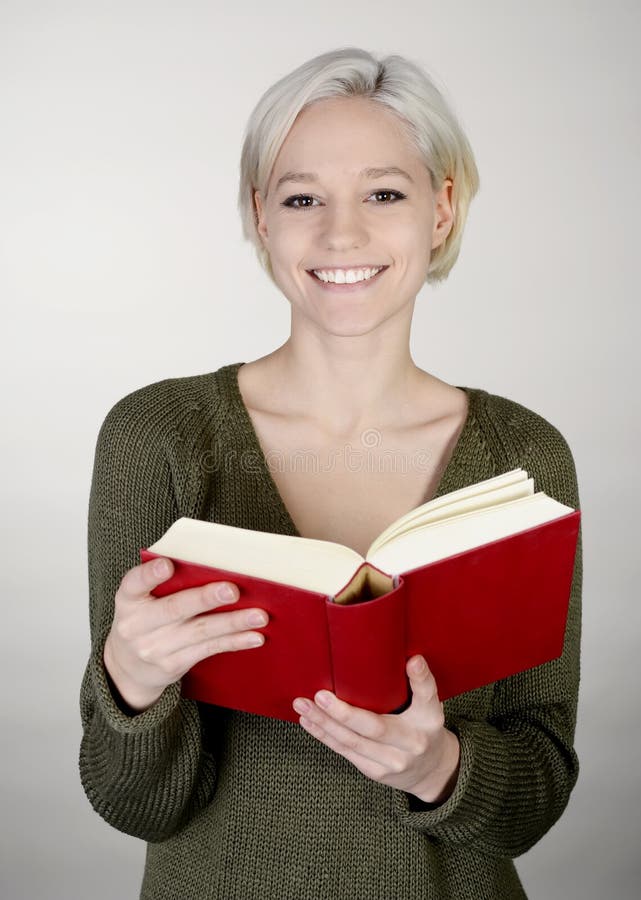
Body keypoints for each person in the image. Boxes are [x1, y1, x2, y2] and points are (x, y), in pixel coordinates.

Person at [79, 47, 582, 900]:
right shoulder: (156, 437)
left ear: (441, 210)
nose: (340, 234)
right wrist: (129, 685)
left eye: (383, 193)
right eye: (301, 197)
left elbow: (536, 794)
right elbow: (133, 803)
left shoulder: (521, 456)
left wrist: (440, 764)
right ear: (261, 217)